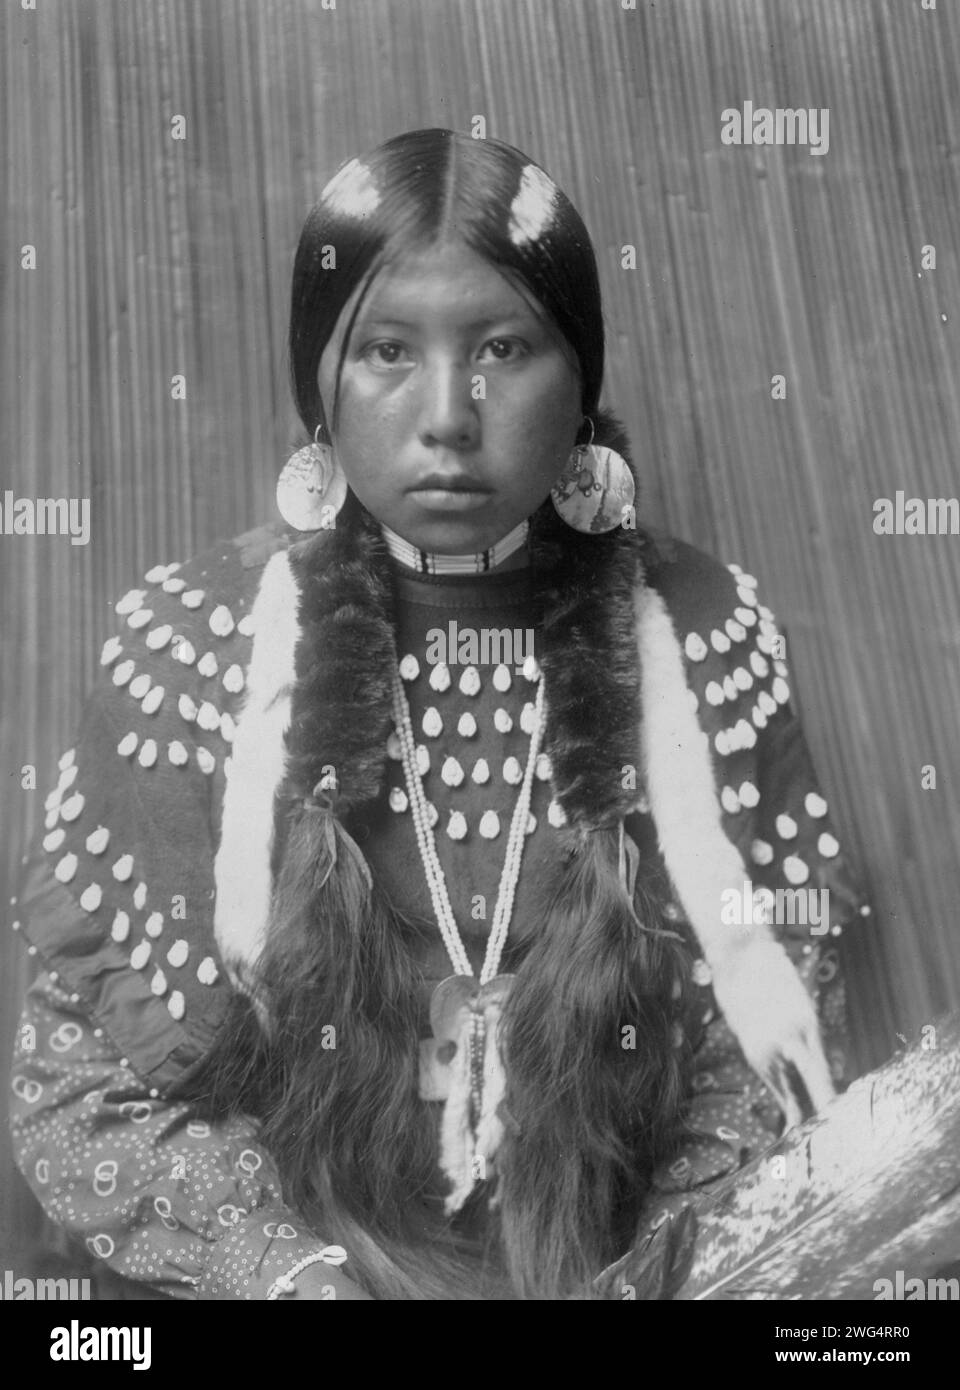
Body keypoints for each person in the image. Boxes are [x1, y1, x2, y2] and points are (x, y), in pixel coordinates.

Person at [9, 128, 868, 1301]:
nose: (449, 415)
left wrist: (647, 1281)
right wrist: (290, 1277)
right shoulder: (188, 649)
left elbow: (758, 1077)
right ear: (320, 383)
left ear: (582, 376)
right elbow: (78, 1090)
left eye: (505, 347)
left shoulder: (707, 639)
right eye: (387, 352)